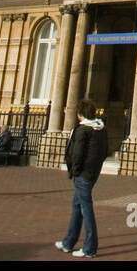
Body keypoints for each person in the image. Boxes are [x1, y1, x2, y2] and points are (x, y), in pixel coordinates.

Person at [55, 99, 107, 258]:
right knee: (77, 206)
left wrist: (74, 170)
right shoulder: (101, 129)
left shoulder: (82, 130)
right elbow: (105, 151)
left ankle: (90, 248)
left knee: (86, 209)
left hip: (83, 174)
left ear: (80, 114)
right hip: (92, 173)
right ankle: (68, 242)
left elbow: (76, 154)